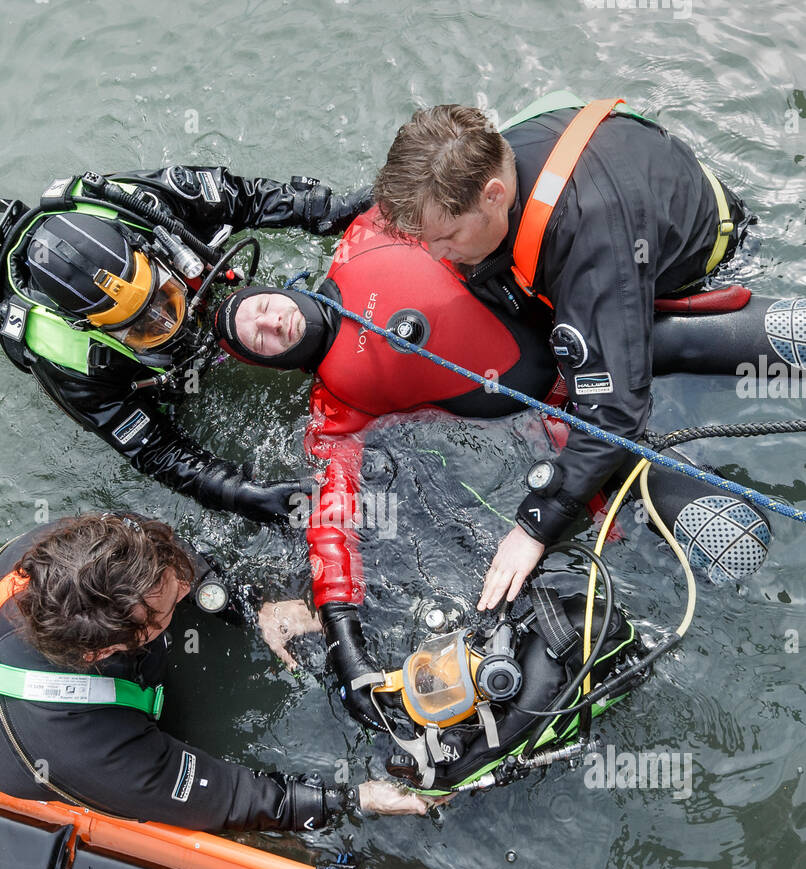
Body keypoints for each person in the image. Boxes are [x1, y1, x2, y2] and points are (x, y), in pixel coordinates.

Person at [213, 206, 772, 729]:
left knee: (674, 339)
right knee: (697, 517)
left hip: (587, 333)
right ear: (272, 362)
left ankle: (729, 336)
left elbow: (448, 182)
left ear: (273, 291)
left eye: (260, 308)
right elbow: (331, 522)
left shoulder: (366, 235)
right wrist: (345, 640)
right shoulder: (336, 407)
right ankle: (664, 477)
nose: (271, 324)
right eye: (257, 341)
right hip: (562, 418)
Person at [371, 92, 756, 607]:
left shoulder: (591, 239)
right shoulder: (481, 158)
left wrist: (532, 528)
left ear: (491, 195)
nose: (436, 254)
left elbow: (616, 417)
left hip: (688, 264)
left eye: (446, 237)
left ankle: (690, 459)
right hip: (629, 194)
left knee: (613, 397)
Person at [0, 163, 371, 525]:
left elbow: (241, 197)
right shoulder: (62, 355)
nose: (171, 319)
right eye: (143, 324)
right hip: (156, 377)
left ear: (149, 252)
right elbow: (154, 450)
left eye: (162, 298)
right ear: (93, 328)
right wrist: (242, 493)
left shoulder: (129, 202)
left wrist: (329, 212)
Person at [0, 512, 429, 827]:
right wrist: (355, 799)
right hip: (37, 753)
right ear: (101, 654)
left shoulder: (64, 552)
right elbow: (234, 798)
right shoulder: (97, 752)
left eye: (172, 579)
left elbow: (156, 550)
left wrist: (256, 606)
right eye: (169, 606)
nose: (181, 590)